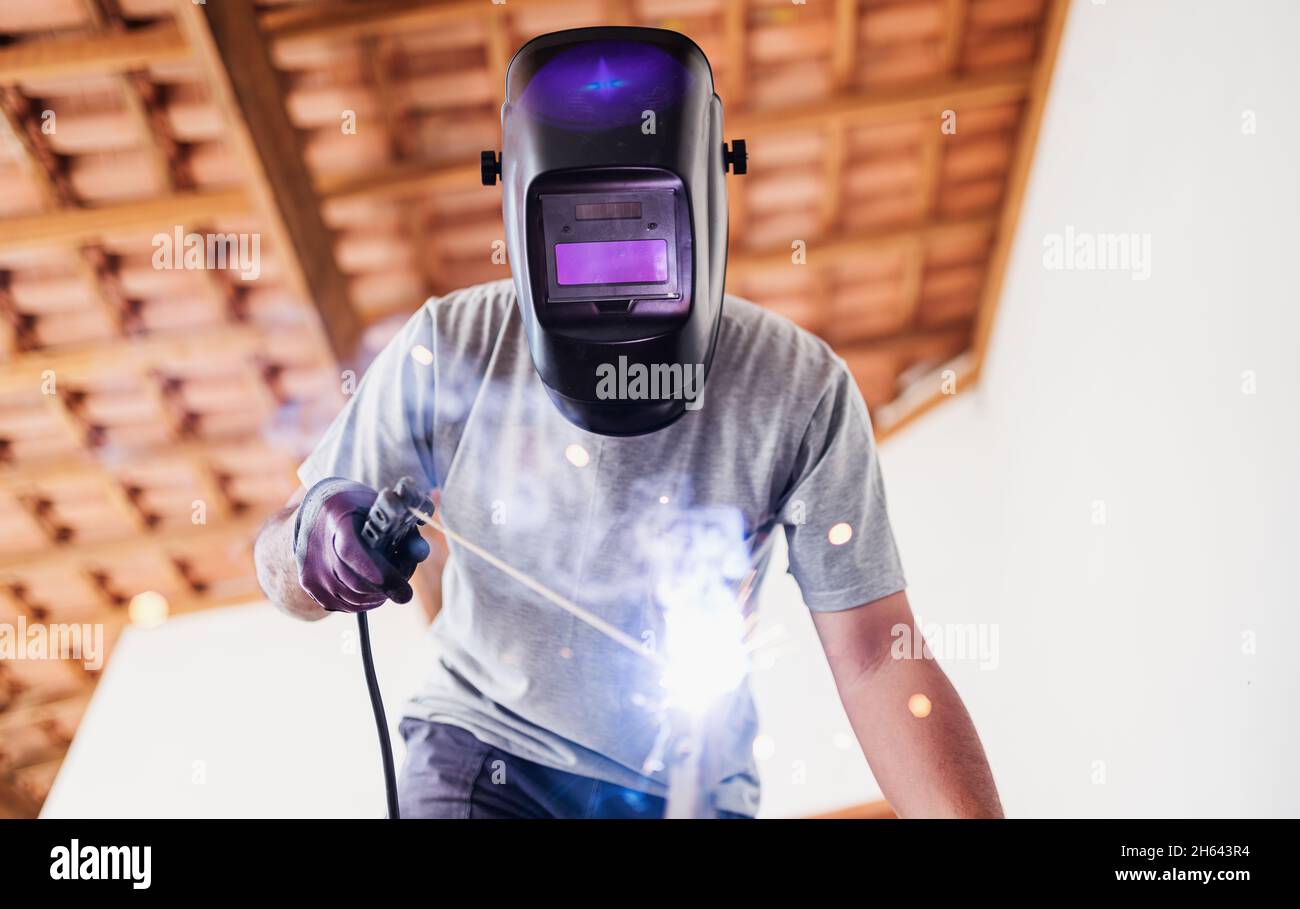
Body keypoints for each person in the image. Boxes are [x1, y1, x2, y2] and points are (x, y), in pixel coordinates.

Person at [252, 278, 1003, 819]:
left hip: (695, 783)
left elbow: (875, 653)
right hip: (487, 757)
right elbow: (279, 555)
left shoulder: (797, 389)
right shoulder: (454, 343)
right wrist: (312, 535)